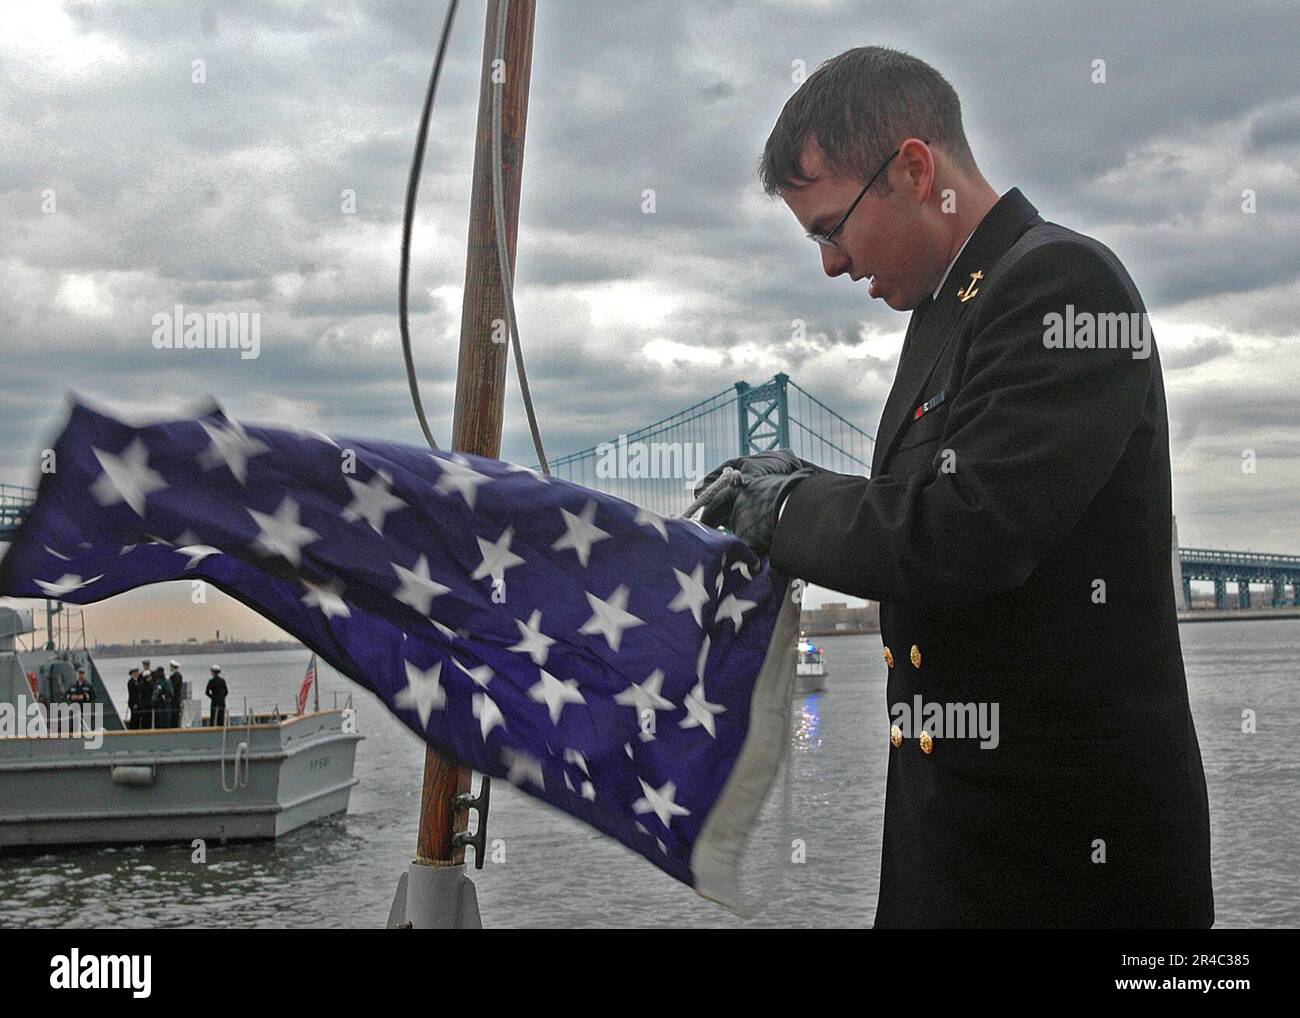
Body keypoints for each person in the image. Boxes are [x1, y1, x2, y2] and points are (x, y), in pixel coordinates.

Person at [696, 46, 1212, 929]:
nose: (829, 264)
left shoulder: (1063, 287)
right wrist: (809, 488)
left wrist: (786, 507)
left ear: (914, 169)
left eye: (830, 228)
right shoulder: (953, 307)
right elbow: (924, 500)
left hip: (1069, 868)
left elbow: (969, 531)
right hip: (954, 846)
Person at [138, 663, 156, 729]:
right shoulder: (147, 684)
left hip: (146, 703)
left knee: (147, 718)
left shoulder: (152, 675)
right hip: (146, 702)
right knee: (146, 718)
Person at [168, 661, 185, 728]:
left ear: (172, 667)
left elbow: (174, 688)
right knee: (175, 713)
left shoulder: (175, 676)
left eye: (170, 666)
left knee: (174, 714)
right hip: (177, 698)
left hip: (175, 698)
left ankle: (174, 727)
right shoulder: (178, 675)